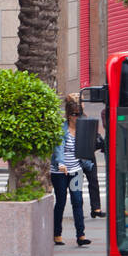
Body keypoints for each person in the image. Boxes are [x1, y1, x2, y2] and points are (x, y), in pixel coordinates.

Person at [51, 94, 91, 246]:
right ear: (68, 115)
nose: (76, 117)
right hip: (60, 172)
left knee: (78, 201)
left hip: (76, 170)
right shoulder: (62, 129)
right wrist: (60, 163)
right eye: (74, 114)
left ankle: (81, 235)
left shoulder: (82, 127)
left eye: (78, 114)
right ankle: (57, 233)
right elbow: (58, 148)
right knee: (61, 201)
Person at [75, 96, 106, 219]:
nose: (83, 104)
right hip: (80, 154)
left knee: (91, 182)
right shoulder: (71, 120)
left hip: (86, 153)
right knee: (87, 182)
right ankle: (92, 208)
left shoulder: (85, 116)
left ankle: (95, 208)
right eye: (80, 102)